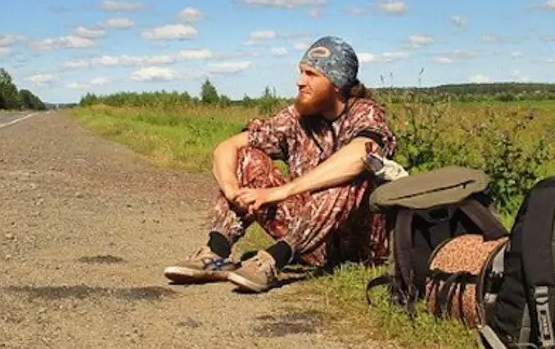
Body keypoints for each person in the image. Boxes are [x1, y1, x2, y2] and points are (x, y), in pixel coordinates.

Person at [163, 35, 397, 293]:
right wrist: (231, 188)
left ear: (337, 83)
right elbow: (227, 147)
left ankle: (274, 260)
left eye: (311, 74)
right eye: (300, 72)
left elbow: (360, 155)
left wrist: (282, 191)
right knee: (247, 157)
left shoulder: (365, 113)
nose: (300, 81)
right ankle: (215, 254)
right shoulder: (297, 116)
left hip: (359, 244)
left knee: (352, 173)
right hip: (309, 239)